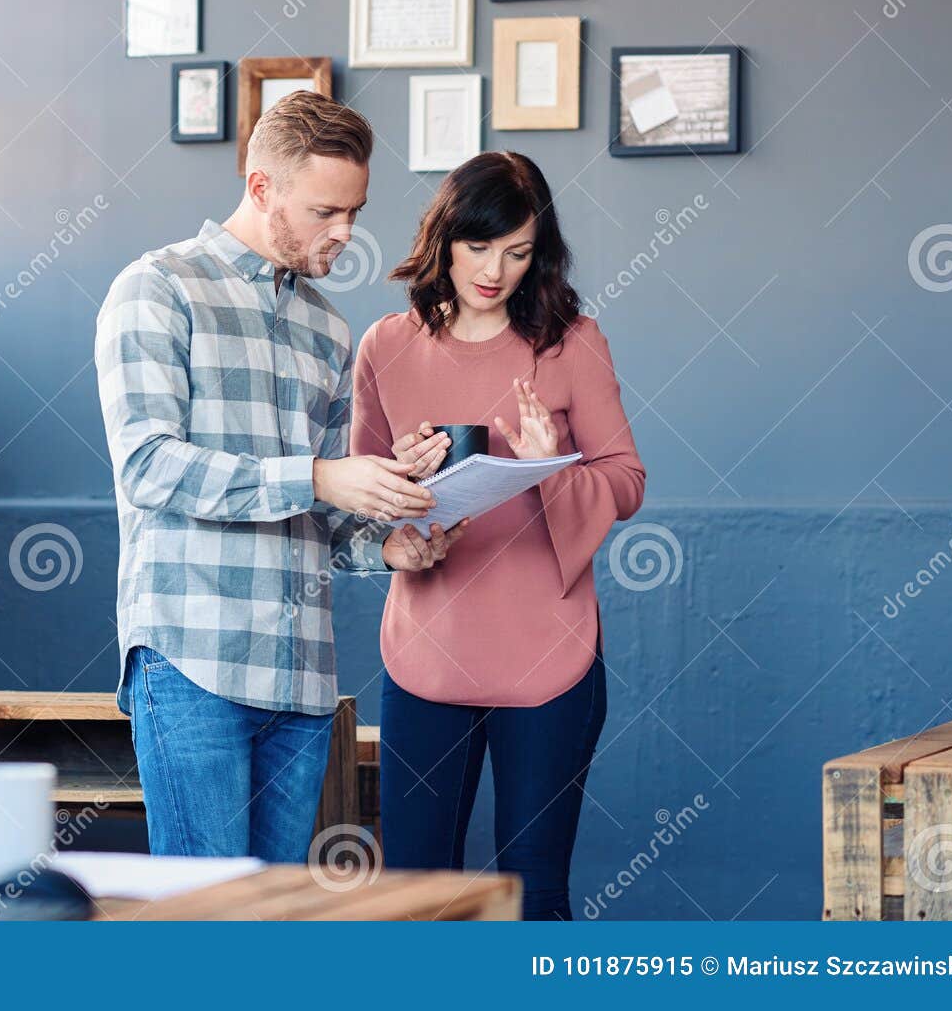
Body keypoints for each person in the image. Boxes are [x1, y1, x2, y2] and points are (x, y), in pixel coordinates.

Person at [93, 92, 467, 862]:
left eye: (355, 211)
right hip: (193, 659)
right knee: (204, 932)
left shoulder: (326, 327)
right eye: (325, 211)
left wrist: (389, 541)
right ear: (262, 188)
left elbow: (320, 513)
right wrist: (324, 478)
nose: (346, 232)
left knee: (271, 932)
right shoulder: (159, 287)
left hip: (300, 683)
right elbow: (148, 466)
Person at [350, 151, 646, 919]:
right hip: (426, 652)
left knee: (533, 892)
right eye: (480, 248)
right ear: (446, 239)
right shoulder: (384, 345)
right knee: (414, 895)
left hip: (550, 655)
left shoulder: (572, 342)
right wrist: (400, 508)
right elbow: (361, 498)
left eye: (518, 253)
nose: (496, 270)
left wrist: (549, 464)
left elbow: (625, 482)